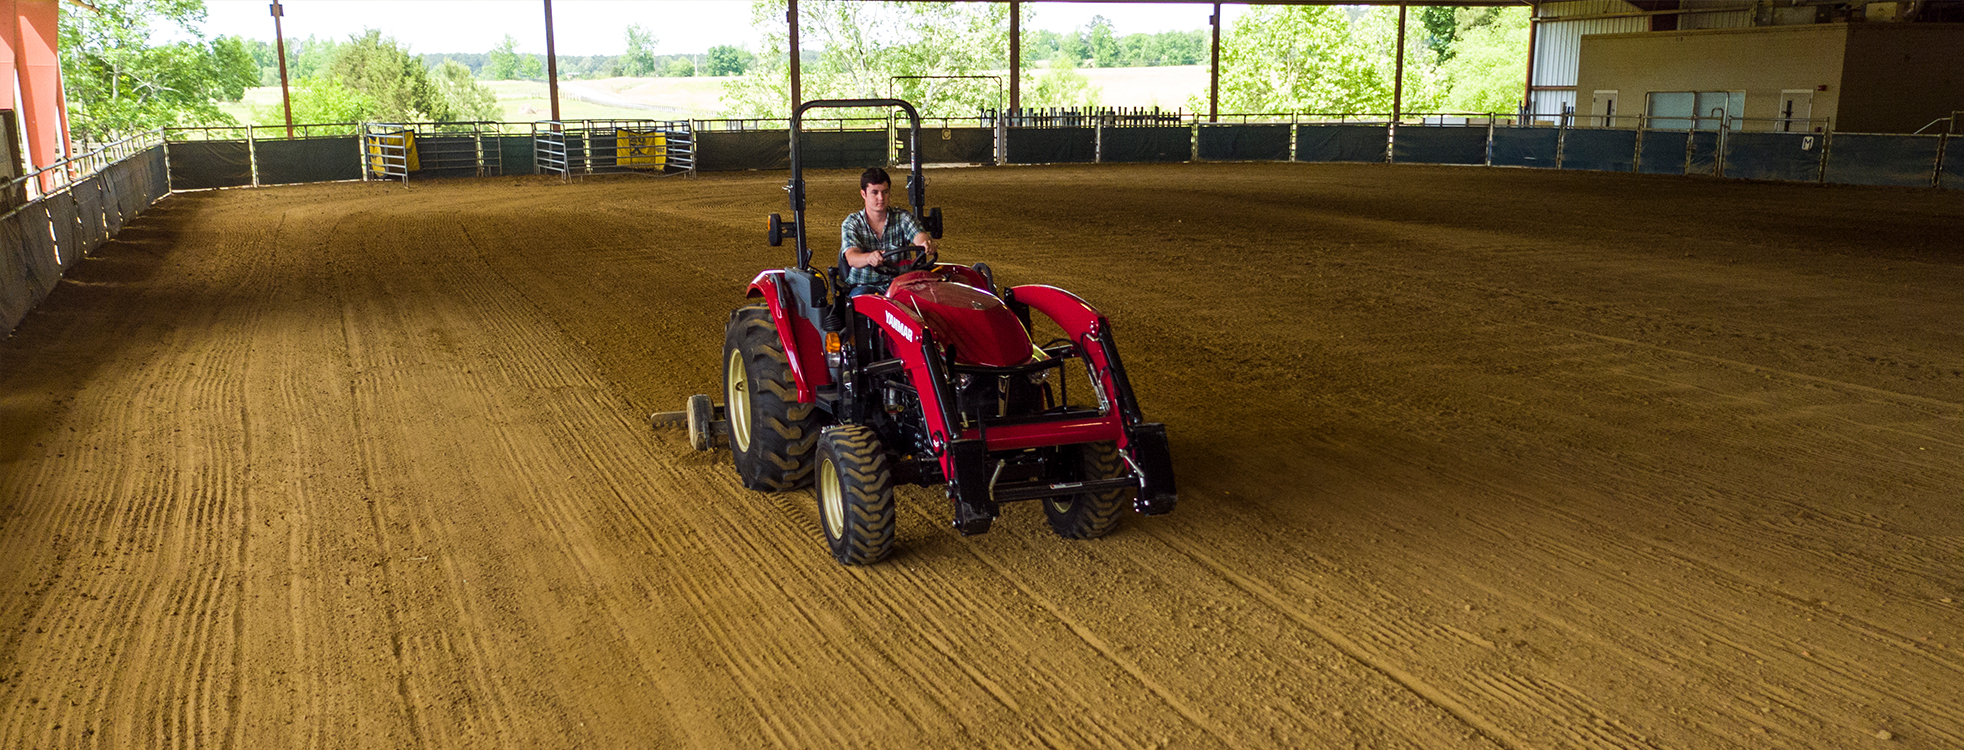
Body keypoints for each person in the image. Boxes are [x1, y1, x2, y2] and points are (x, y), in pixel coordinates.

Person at [840, 167, 937, 296]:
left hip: (899, 284)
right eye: (875, 192)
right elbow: (852, 257)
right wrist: (869, 257)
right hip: (866, 286)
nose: (881, 198)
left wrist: (925, 243)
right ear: (863, 194)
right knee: (864, 299)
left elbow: (918, 235)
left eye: (885, 192)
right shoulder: (852, 223)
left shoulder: (902, 217)